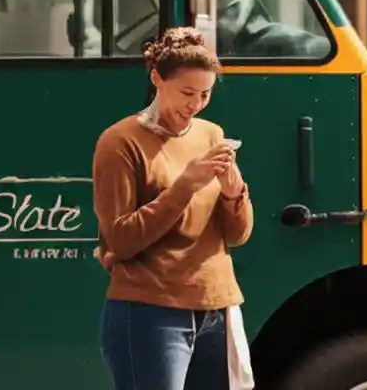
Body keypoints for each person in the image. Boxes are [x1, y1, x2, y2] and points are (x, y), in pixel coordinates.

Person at [92, 26, 255, 390]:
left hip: (217, 307)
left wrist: (233, 194)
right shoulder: (120, 142)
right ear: (156, 79)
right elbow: (120, 239)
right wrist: (186, 186)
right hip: (150, 309)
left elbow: (237, 234)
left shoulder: (211, 134)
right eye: (186, 93)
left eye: (205, 94)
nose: (195, 104)